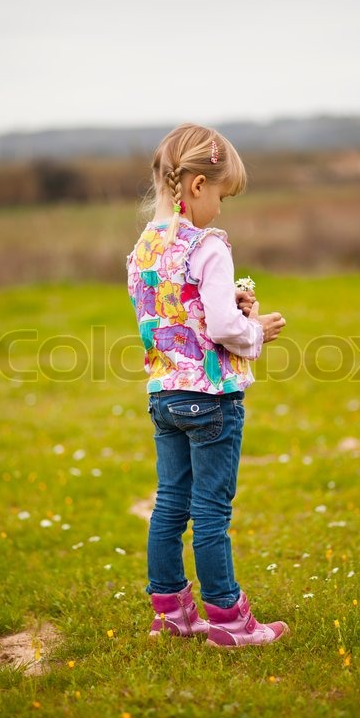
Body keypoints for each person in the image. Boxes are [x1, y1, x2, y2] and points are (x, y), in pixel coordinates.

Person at [127, 123, 288, 647]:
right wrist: (254, 330)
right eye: (221, 195)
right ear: (197, 185)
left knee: (170, 505)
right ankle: (229, 619)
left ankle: (172, 613)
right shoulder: (209, 246)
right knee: (212, 512)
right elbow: (220, 328)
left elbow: (173, 313)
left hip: (164, 396)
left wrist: (228, 310)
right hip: (211, 400)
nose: (220, 209)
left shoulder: (144, 248)